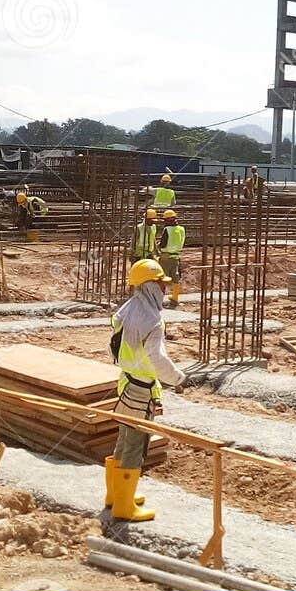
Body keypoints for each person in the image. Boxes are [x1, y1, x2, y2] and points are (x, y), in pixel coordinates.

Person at [105, 259, 185, 522]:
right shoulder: (152, 319)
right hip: (141, 389)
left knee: (123, 439)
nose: (163, 290)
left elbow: (112, 347)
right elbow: (156, 358)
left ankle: (115, 495)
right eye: (160, 284)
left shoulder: (126, 310)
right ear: (150, 286)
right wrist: (177, 378)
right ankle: (124, 507)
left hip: (126, 382)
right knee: (135, 446)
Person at [157, 210, 185, 309]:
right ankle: (175, 297)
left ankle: (159, 299)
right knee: (175, 278)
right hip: (176, 256)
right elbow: (182, 242)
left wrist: (158, 247)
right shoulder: (181, 229)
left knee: (162, 278)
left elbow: (163, 243)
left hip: (166, 256)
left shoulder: (167, 229)